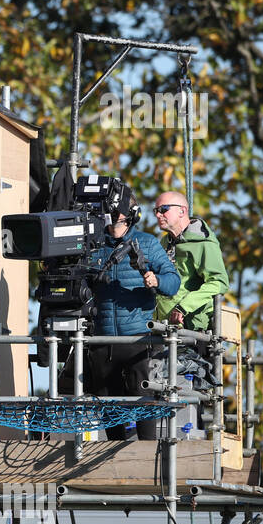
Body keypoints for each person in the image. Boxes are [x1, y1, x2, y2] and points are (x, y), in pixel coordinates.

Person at [81, 185, 180, 439]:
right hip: (103, 339)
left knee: (143, 398)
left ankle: (147, 455)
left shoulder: (145, 243)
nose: (110, 215)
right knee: (107, 403)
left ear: (129, 214)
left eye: (115, 211)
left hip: (138, 340)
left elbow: (173, 282)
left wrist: (156, 281)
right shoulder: (92, 244)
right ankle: (114, 457)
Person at [151, 191, 230, 331]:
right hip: (164, 328)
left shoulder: (203, 243)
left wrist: (183, 308)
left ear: (182, 211)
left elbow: (219, 282)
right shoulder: (164, 242)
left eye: (163, 209)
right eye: (156, 211)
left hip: (191, 330)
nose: (158, 215)